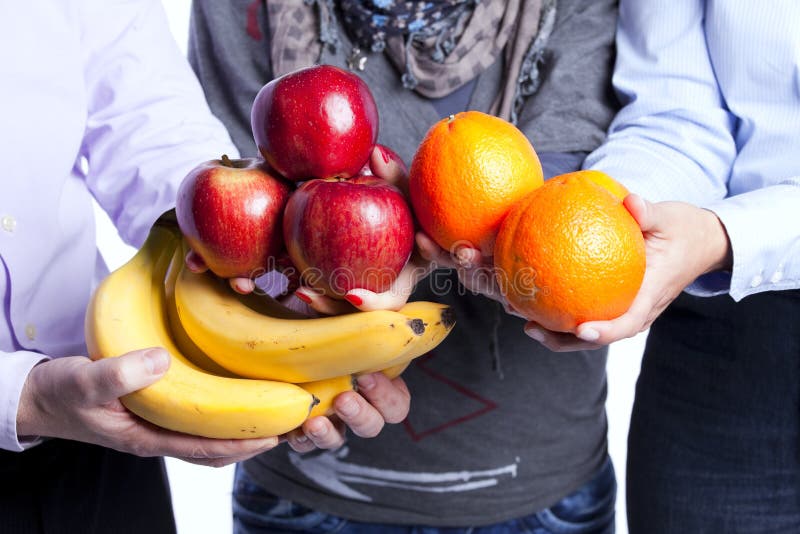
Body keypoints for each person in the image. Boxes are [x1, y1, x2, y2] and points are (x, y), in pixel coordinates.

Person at [189, 0, 621, 531]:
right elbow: (241, 216)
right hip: (301, 486)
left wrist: (410, 245)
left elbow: (565, 212)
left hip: (537, 483)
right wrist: (287, 297)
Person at [0, 1, 408, 533]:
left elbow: (147, 123)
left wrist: (275, 261)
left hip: (99, 421)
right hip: (75, 397)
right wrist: (22, 397)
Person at [524, 1, 800, 532]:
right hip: (724, 341)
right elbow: (676, 119)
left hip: (721, 247)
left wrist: (723, 235)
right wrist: (606, 216)